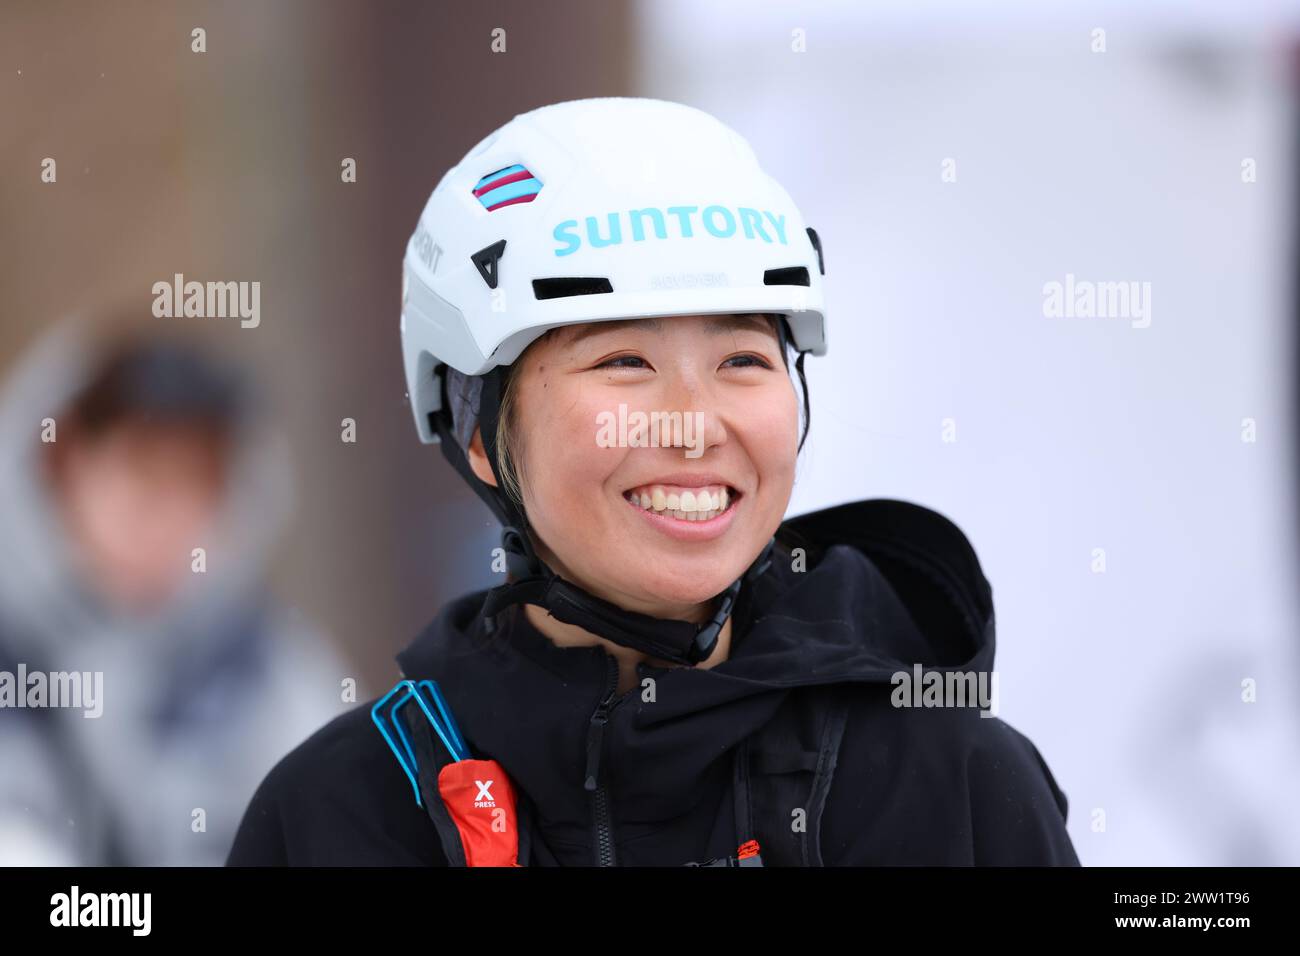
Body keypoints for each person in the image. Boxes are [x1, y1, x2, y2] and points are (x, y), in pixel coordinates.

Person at [227, 97, 1080, 866]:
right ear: (481, 433)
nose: (692, 422)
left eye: (742, 359)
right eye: (624, 361)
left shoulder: (955, 790)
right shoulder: (345, 816)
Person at [0, 320, 348, 865]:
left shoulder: (269, 673)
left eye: (194, 484)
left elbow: (337, 824)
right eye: (144, 472)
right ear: (65, 461)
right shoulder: (12, 642)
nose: (165, 517)